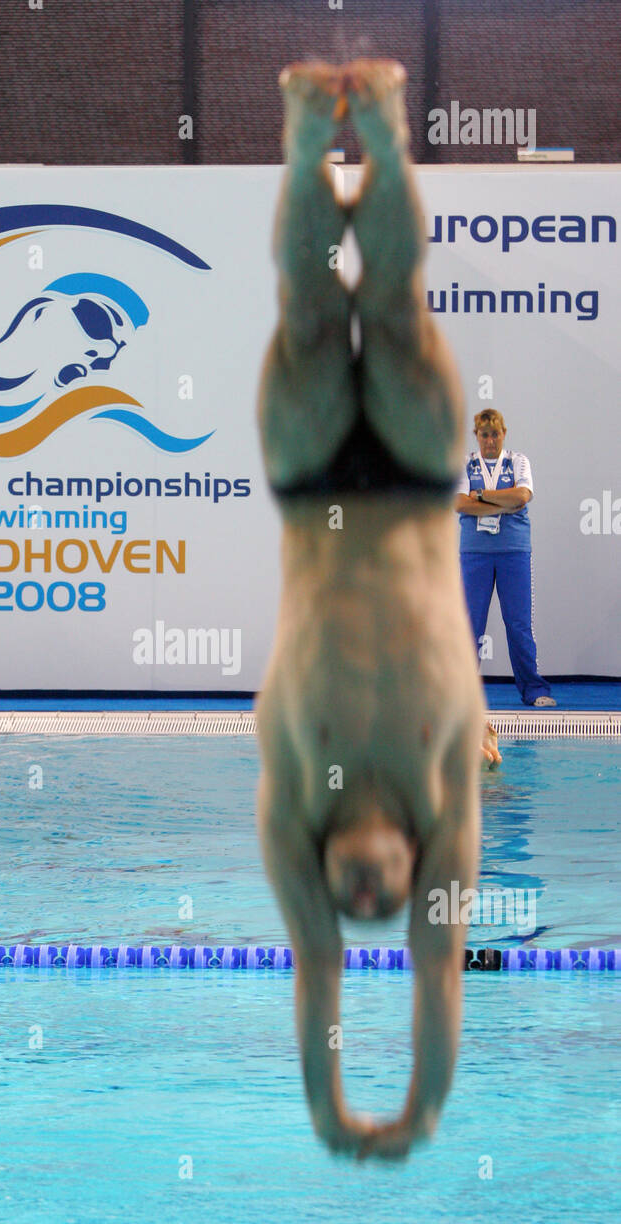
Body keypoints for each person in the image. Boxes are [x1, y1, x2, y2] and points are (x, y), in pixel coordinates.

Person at [255, 58, 487, 1162]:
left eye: (347, 903)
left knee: (309, 313)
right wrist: (421, 1110)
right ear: (409, 878)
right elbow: (437, 971)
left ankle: (311, 134)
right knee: (390, 308)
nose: (360, 897)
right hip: (417, 480)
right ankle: (382, 130)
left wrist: (326, 1109)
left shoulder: (296, 801)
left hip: (310, 489)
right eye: (378, 903)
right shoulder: (444, 804)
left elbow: (317, 972)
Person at [454, 409, 555, 707]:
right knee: (470, 625)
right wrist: (503, 503)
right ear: (476, 436)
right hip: (475, 553)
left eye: (495, 433)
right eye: (484, 434)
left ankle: (534, 690)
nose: (490, 440)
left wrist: (481, 496)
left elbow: (522, 497)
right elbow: (459, 503)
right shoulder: (465, 464)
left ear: (504, 433)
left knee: (518, 624)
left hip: (514, 552)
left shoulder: (518, 461)